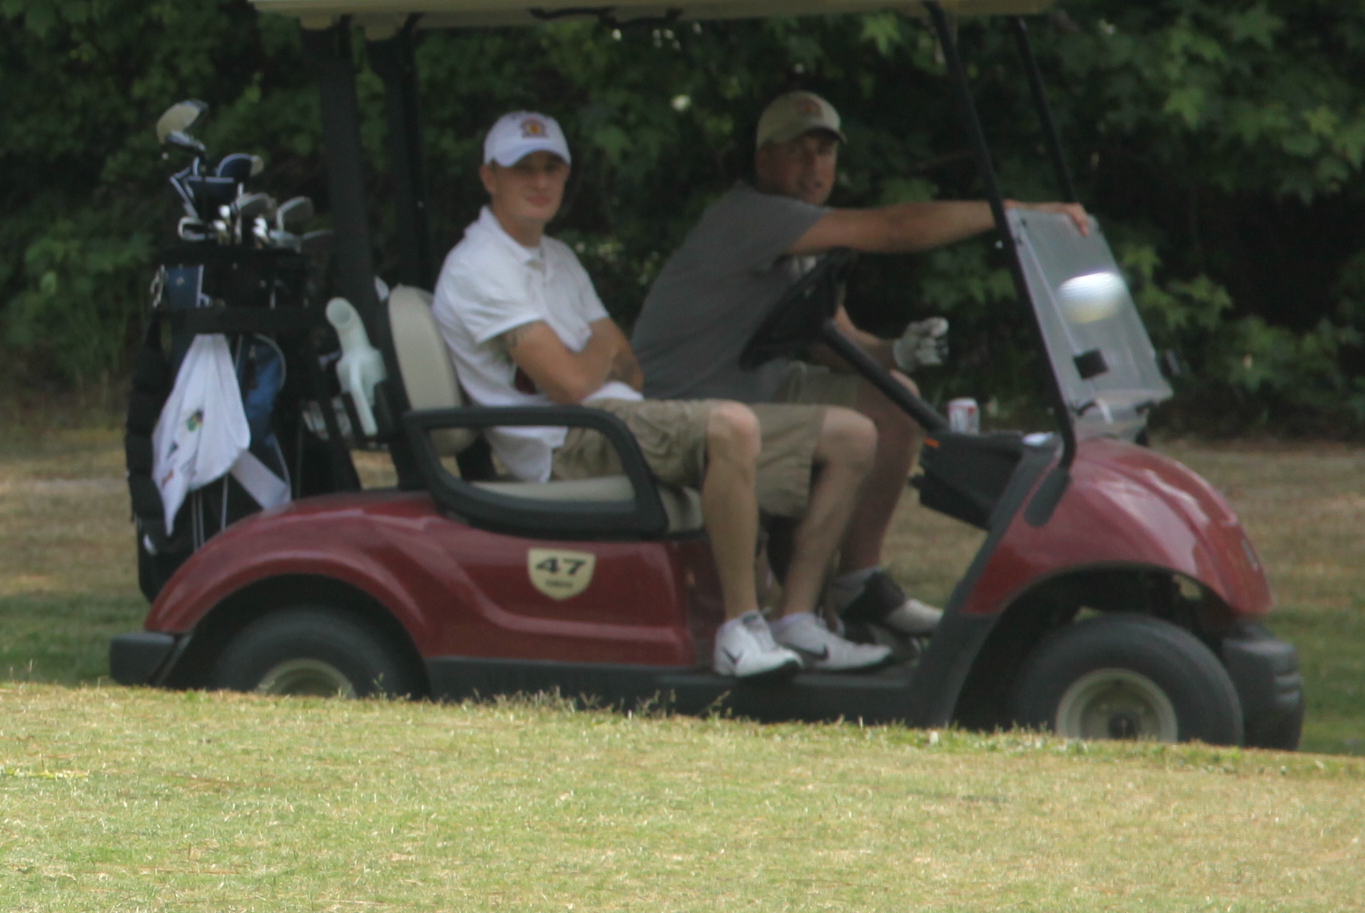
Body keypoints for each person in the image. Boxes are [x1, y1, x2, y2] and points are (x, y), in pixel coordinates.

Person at [429, 111, 888, 679]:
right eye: (523, 169)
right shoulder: (479, 267)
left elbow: (630, 364)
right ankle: (739, 629)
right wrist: (596, 354)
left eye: (551, 167)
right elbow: (572, 385)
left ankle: (795, 618)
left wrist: (593, 358)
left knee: (852, 436)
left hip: (618, 418)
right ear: (489, 177)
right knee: (732, 427)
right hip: (566, 443)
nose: (540, 181)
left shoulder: (557, 257)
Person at [632, 90, 1086, 648]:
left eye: (824, 151)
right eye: (796, 151)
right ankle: (797, 619)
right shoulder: (755, 216)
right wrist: (1010, 211)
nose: (813, 165)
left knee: (892, 395)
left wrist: (899, 351)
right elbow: (893, 227)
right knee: (853, 434)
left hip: (751, 390)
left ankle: (858, 582)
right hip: (688, 410)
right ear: (763, 160)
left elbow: (837, 341)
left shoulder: (806, 231)